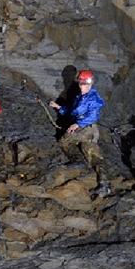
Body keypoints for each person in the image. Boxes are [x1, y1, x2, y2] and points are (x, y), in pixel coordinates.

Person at [49, 69, 111, 197]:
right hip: (84, 129)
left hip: (88, 129)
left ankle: (78, 161)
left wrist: (77, 124)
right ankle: (103, 184)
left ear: (91, 83)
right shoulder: (80, 96)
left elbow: (93, 116)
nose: (84, 86)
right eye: (82, 83)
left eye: (87, 84)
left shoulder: (93, 97)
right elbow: (73, 112)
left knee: (66, 141)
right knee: (90, 153)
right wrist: (59, 108)